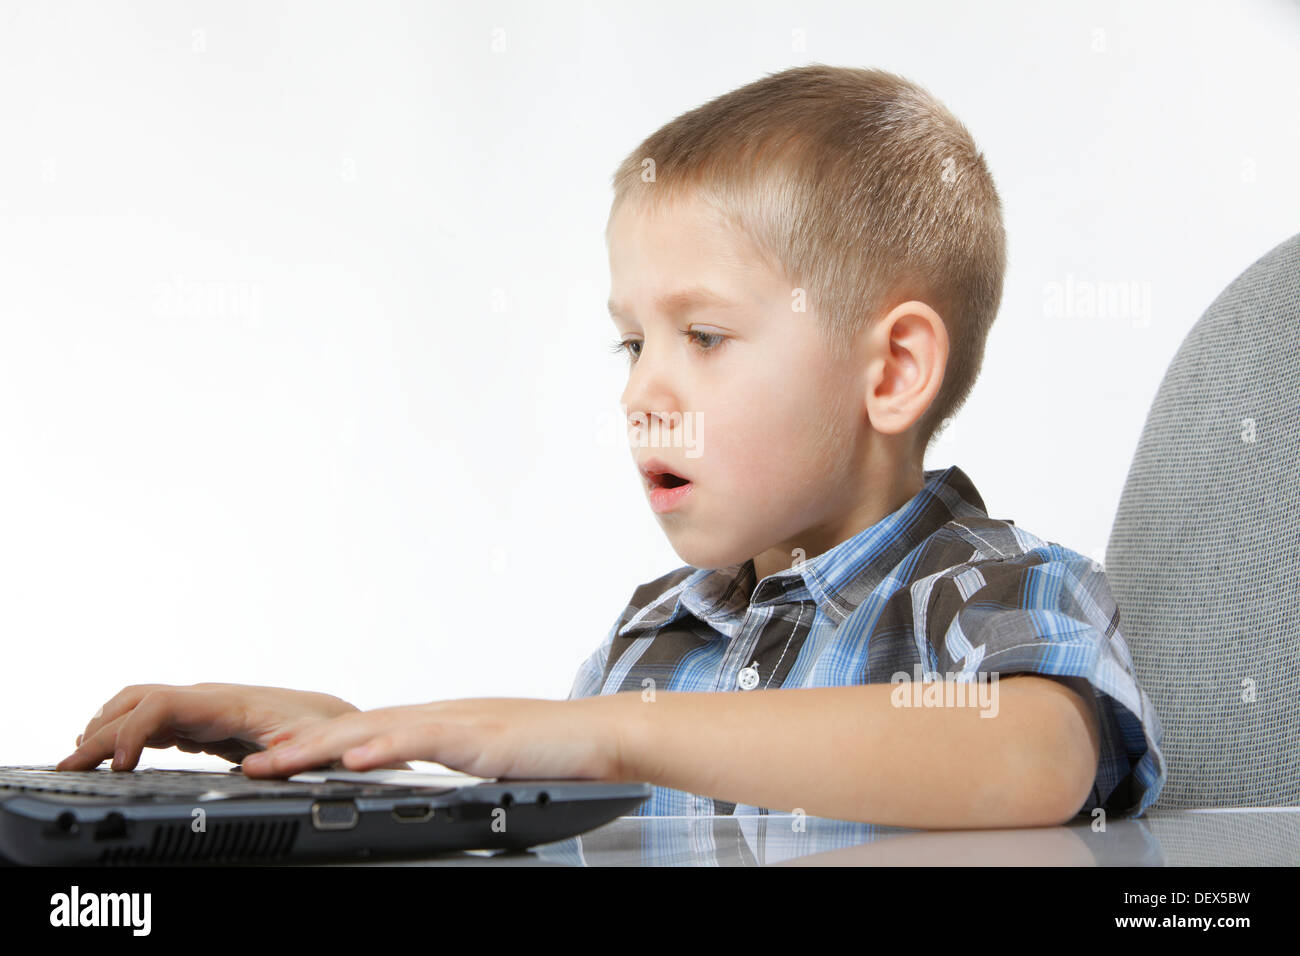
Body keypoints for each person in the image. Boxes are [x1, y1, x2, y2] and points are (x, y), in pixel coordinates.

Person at [56, 64, 1165, 829]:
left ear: (891, 371)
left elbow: (1033, 756)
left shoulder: (993, 589)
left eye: (704, 336)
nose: (641, 391)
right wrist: (359, 741)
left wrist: (620, 735)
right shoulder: (656, 637)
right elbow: (566, 809)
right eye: (633, 343)